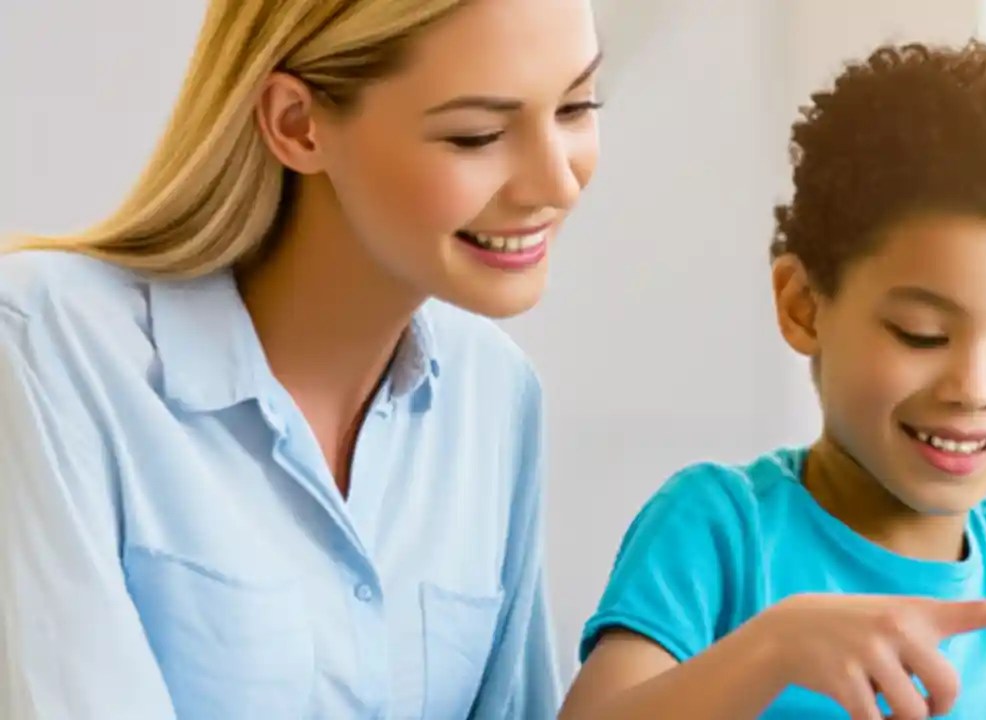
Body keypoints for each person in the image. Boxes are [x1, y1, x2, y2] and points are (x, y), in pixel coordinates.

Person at [0, 0, 600, 718]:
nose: (557, 183)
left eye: (576, 107)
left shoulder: (494, 393)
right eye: (478, 135)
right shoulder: (46, 344)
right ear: (295, 123)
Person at [559, 40, 986, 720]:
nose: (973, 387)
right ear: (804, 305)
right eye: (921, 333)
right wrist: (776, 647)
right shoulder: (722, 529)